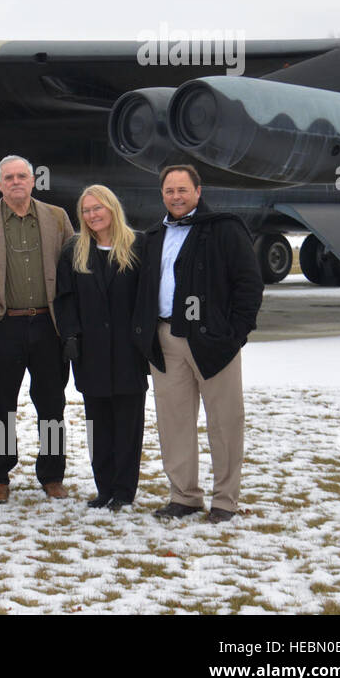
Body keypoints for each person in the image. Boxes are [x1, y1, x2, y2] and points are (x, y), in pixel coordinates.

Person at [132, 165, 263, 523]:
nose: (176, 196)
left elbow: (249, 284)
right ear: (162, 195)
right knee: (174, 424)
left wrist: (236, 334)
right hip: (165, 340)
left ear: (198, 191)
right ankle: (184, 497)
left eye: (183, 190)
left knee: (224, 423)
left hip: (213, 342)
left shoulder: (224, 228)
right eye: (170, 190)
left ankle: (225, 501)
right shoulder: (154, 234)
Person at [0, 155, 76, 503]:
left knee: (53, 406)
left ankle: (53, 475)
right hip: (4, 326)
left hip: (48, 327)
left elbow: (74, 265)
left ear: (33, 181)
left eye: (21, 176)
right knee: (0, 407)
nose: (15, 182)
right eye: (8, 177)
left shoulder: (57, 218)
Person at [53, 185, 150, 510]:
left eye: (98, 208)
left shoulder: (138, 246)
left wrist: (143, 341)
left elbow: (146, 299)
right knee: (99, 426)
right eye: (86, 210)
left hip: (128, 353)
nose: (93, 215)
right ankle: (104, 488)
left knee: (127, 426)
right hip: (90, 352)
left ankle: (123, 491)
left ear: (112, 208)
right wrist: (71, 337)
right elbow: (65, 299)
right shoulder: (74, 251)